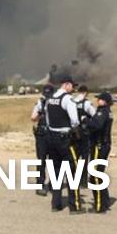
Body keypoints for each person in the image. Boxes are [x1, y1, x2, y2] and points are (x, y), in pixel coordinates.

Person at [39, 74, 83, 213]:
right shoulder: (67, 99)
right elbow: (75, 121)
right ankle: (74, 206)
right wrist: (76, 132)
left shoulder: (50, 99)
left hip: (52, 139)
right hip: (65, 140)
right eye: (72, 86)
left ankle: (56, 204)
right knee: (72, 172)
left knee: (56, 172)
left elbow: (46, 118)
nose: (73, 88)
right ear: (67, 84)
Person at [84, 91, 115, 213]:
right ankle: (105, 201)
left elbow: (97, 125)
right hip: (104, 145)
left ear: (105, 101)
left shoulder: (102, 111)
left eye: (100, 99)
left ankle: (99, 205)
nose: (98, 101)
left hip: (99, 146)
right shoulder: (108, 111)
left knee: (95, 175)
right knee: (99, 174)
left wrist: (86, 121)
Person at [30, 84, 55, 196]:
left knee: (52, 160)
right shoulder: (40, 103)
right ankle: (40, 184)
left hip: (51, 134)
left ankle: (51, 184)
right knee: (42, 160)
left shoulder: (53, 103)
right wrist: (41, 113)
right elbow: (33, 118)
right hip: (43, 134)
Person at [72, 84, 97, 189]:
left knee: (74, 157)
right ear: (86, 92)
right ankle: (83, 181)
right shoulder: (86, 103)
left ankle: (74, 180)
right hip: (84, 133)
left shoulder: (72, 102)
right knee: (84, 157)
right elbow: (94, 115)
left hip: (73, 133)